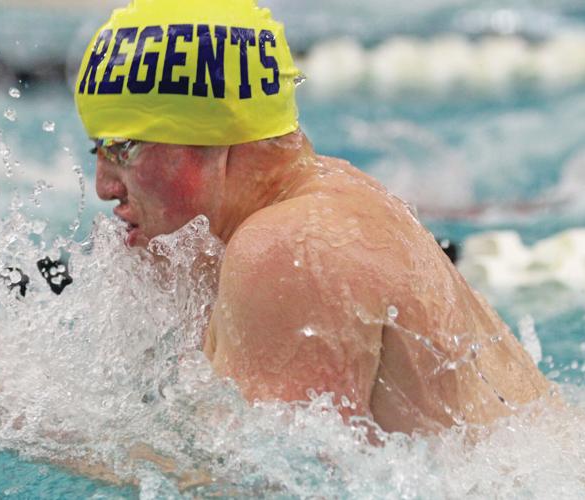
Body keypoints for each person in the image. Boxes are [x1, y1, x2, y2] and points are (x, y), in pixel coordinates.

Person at [79, 0, 550, 434]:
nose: (104, 186)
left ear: (214, 138)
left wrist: (54, 440)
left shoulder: (289, 247)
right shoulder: (329, 198)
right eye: (97, 150)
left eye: (124, 149)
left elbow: (265, 481)